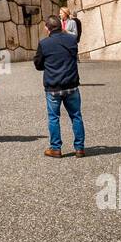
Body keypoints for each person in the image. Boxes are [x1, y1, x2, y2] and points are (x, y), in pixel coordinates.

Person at [34, 15, 85, 158]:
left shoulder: (44, 44)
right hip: (71, 85)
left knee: (53, 117)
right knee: (76, 116)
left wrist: (49, 65)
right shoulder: (72, 40)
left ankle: (56, 148)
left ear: (47, 28)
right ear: (61, 26)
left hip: (53, 86)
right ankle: (79, 148)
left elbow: (38, 65)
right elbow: (73, 56)